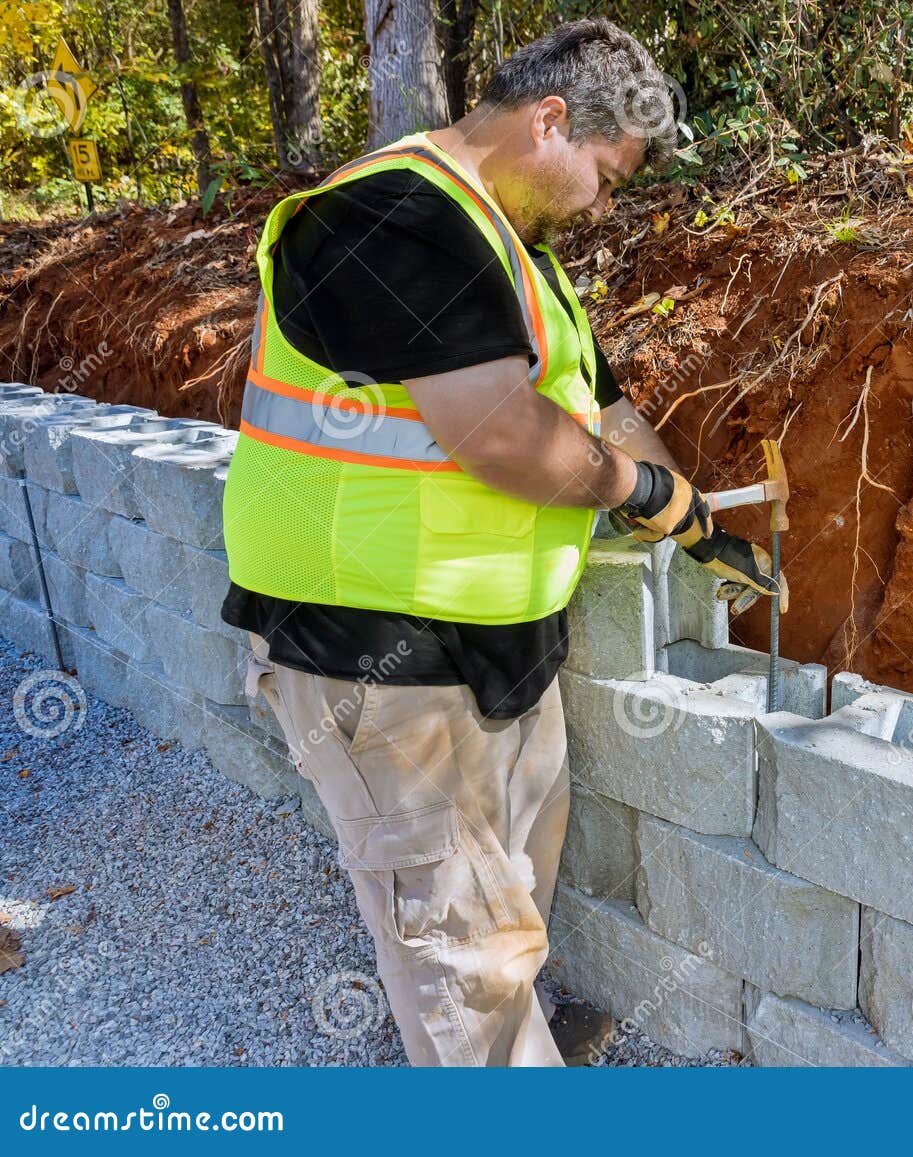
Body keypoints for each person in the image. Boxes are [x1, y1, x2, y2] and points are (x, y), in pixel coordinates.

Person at [219, 17, 784, 1067]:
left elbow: (599, 407)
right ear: (550, 120)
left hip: (499, 644)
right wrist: (637, 488)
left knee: (509, 891)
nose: (603, 205)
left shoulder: (511, 246)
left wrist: (694, 519)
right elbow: (503, 436)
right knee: (456, 946)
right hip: (377, 653)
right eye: (607, 177)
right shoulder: (390, 219)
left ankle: (508, 1033)